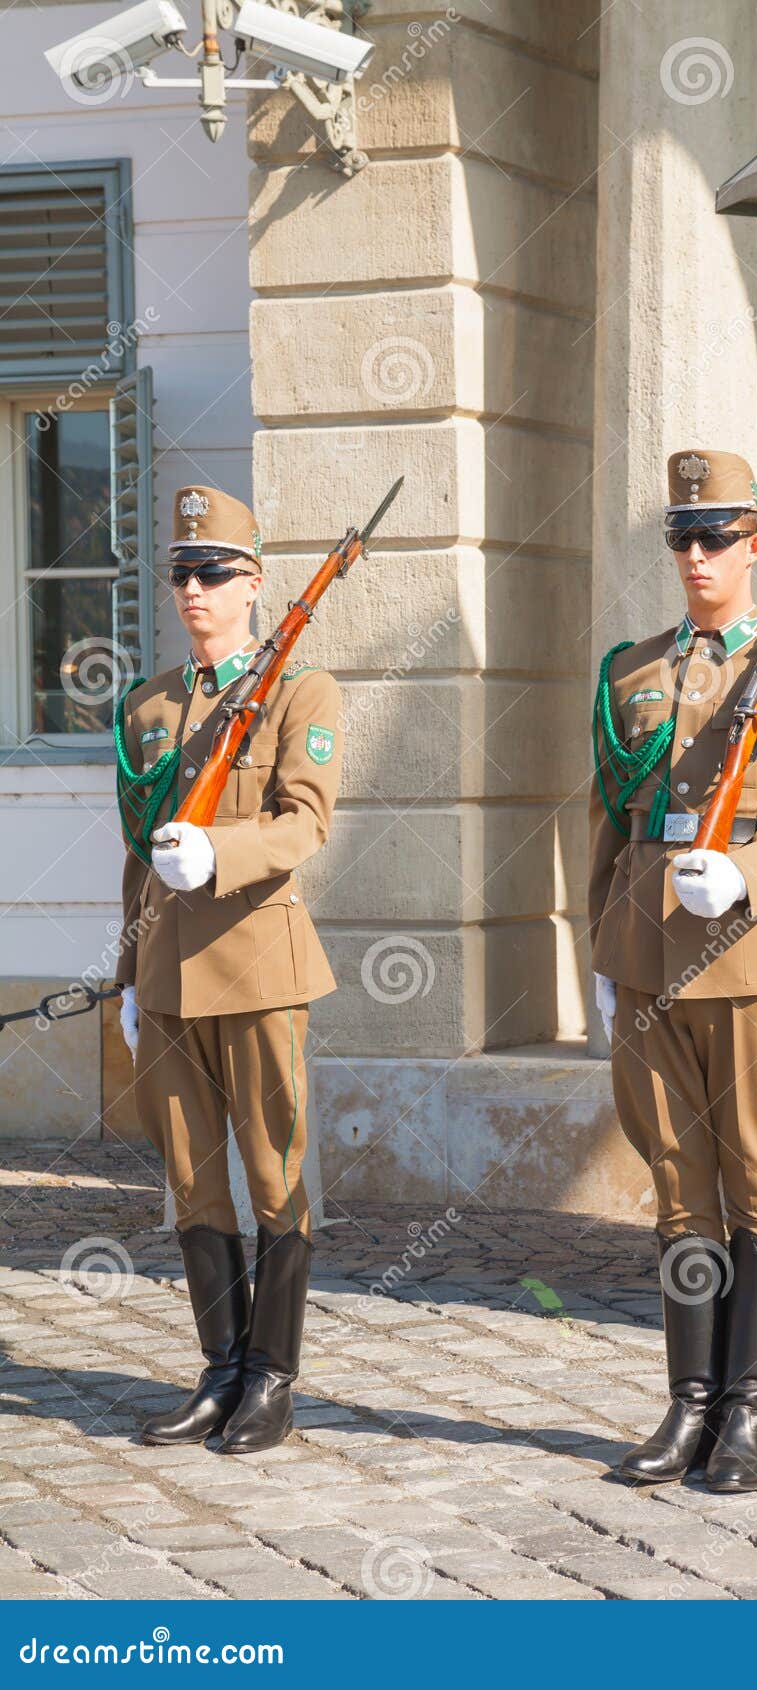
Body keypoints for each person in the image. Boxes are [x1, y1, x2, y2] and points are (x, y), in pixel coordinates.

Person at [588, 449, 757, 1492]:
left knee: (754, 1192)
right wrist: (599, 943)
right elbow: (607, 815)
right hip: (645, 953)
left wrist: (740, 874)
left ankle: (748, 1416)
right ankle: (688, 1405)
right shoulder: (633, 671)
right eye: (682, 539)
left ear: (755, 546)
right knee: (678, 1194)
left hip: (744, 955)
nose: (696, 556)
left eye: (717, 538)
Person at [113, 485, 343, 1455]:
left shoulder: (303, 691)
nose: (193, 590)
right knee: (194, 1182)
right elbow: (135, 850)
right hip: (168, 976)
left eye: (213, 572)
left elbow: (306, 820)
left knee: (273, 1174)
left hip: (259, 965)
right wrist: (127, 971)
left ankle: (273, 1376)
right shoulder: (150, 705)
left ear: (254, 584)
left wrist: (222, 854)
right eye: (182, 573)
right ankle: (219, 1368)